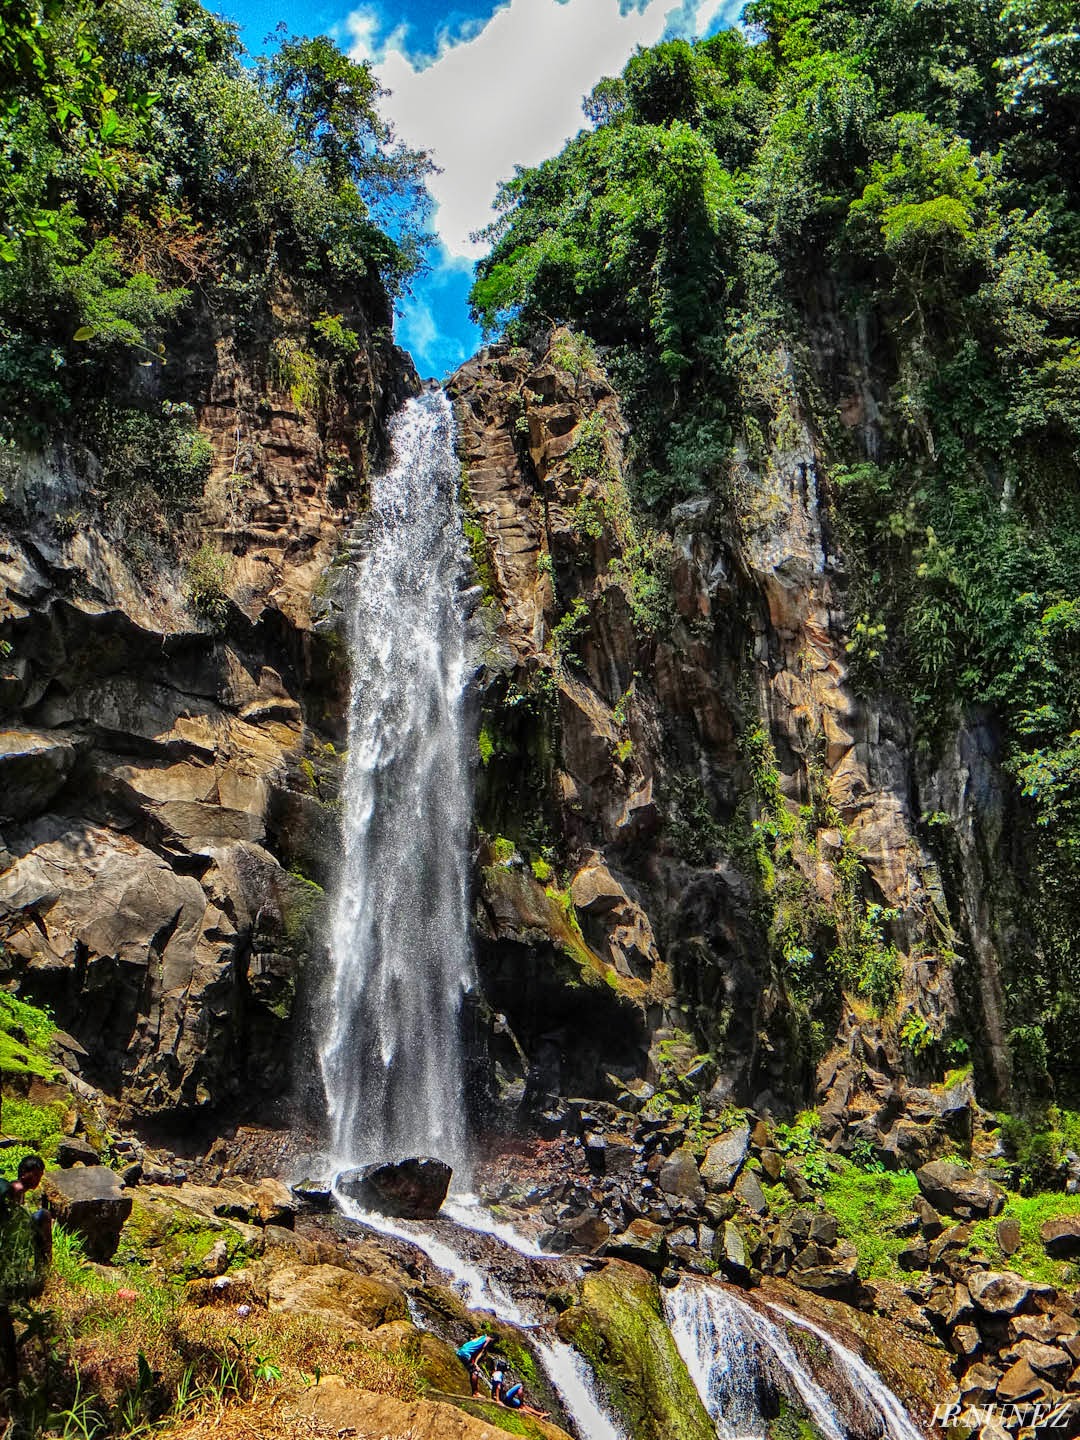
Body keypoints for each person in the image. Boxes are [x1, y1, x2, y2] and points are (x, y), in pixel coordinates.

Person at [0, 1154, 51, 1407]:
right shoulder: (16, 1188)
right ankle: (45, 1267)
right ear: (26, 1173)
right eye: (37, 1175)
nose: (38, 1180)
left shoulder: (15, 1190)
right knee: (43, 1217)